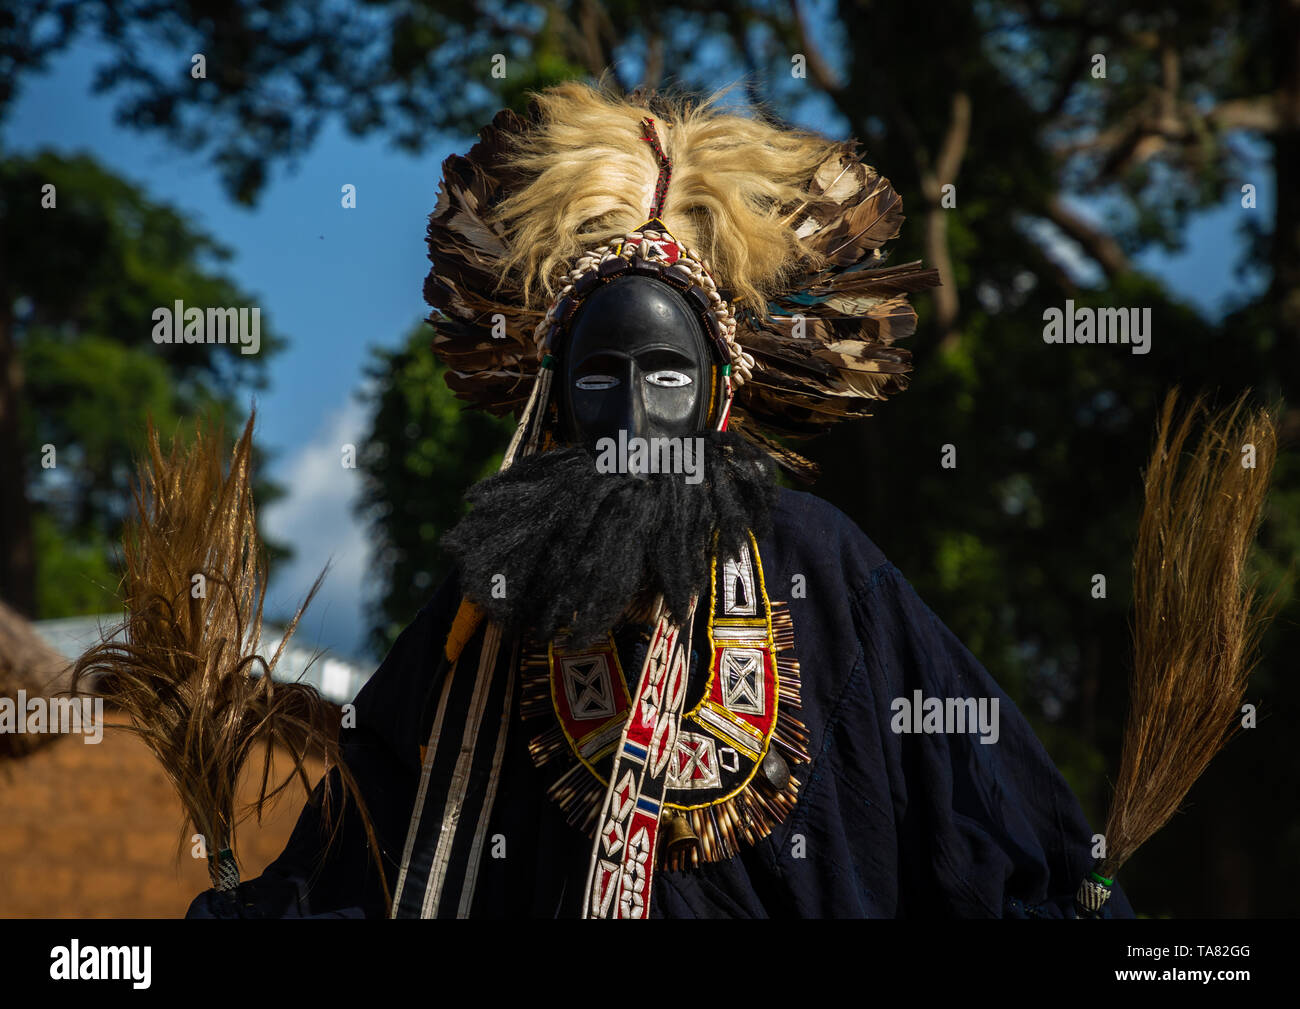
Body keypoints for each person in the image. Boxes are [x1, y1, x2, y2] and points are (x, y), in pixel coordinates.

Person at [188, 81, 1132, 919]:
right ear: (554, 399)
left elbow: (988, 831)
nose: (635, 416)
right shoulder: (486, 614)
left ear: (719, 393)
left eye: (668, 377)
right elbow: (358, 851)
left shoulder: (824, 572)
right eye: (601, 376)